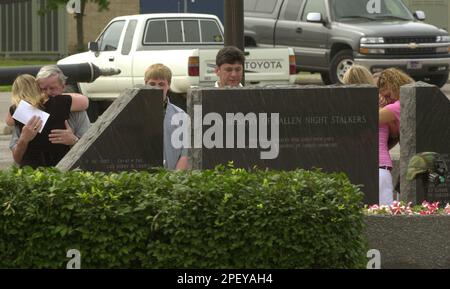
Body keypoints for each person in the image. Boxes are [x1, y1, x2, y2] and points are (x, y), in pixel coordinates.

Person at [9, 74, 88, 168]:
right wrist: (23, 139)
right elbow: (84, 101)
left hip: (32, 170)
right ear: (38, 88)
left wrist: (74, 140)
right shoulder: (62, 102)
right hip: (62, 166)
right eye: (44, 89)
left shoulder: (19, 112)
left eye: (52, 88)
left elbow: (9, 120)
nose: (48, 92)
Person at [376, 68, 414, 205]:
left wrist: (380, 105)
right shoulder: (405, 101)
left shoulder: (397, 106)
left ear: (394, 85)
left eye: (388, 94)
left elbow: (369, 120)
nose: (388, 98)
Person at [144, 63, 188, 170]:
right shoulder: (133, 114)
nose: (157, 88)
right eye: (152, 84)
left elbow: (185, 153)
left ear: (168, 85)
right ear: (145, 84)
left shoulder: (182, 117)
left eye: (161, 84)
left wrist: (174, 179)